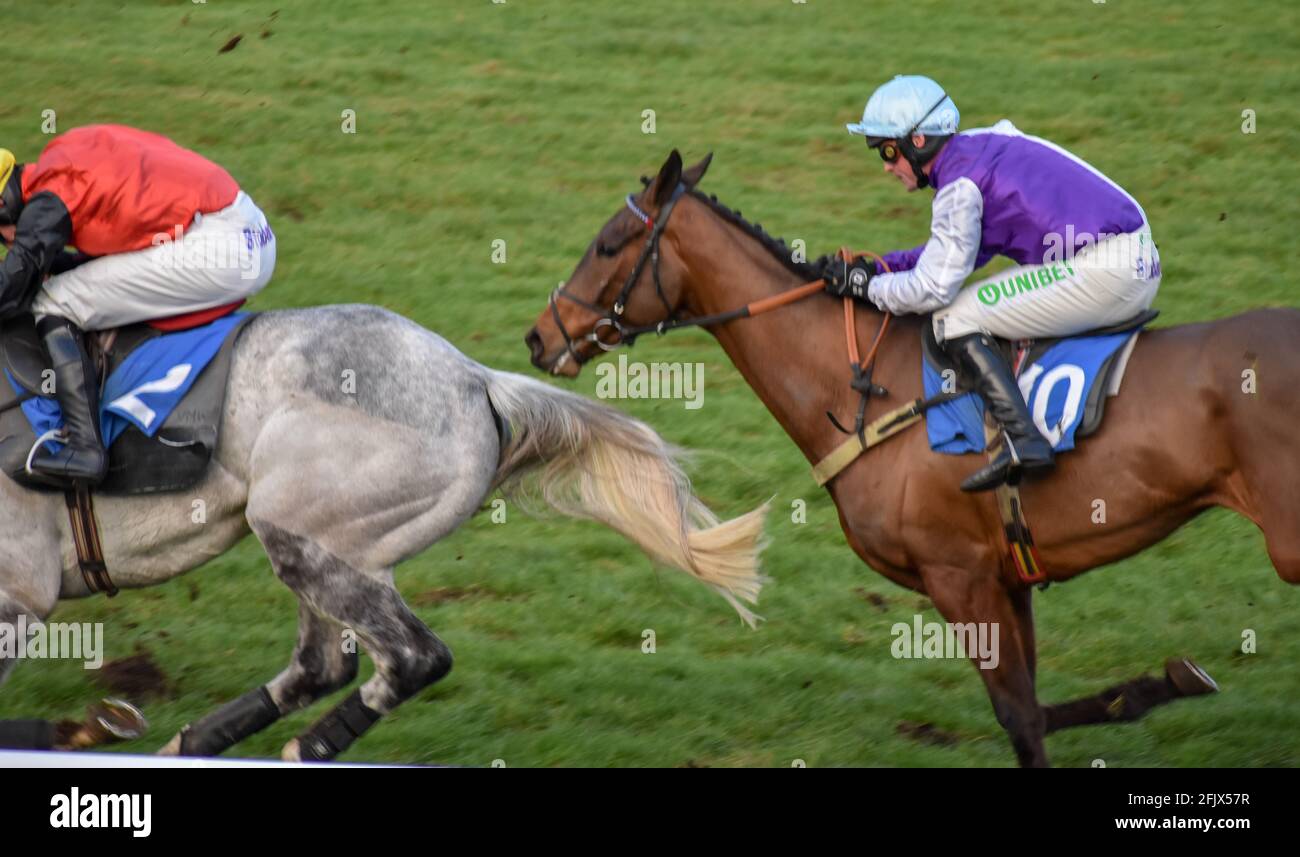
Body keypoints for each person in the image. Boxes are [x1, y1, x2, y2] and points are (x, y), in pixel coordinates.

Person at [823, 75, 1160, 491]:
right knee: (971, 302)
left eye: (889, 151)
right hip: (1126, 258)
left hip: (1107, 269)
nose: (888, 166)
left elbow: (934, 289)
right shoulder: (977, 150)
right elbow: (948, 253)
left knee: (952, 316)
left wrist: (867, 289)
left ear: (920, 141)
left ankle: (1023, 440)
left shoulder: (959, 187)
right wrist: (879, 268)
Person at [0, 125, 276, 485]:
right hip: (249, 229)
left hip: (221, 246)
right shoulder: (60, 160)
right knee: (78, 285)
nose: (7, 245)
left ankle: (85, 450)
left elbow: (15, 283)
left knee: (57, 300)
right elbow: (86, 263)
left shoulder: (50, 201)